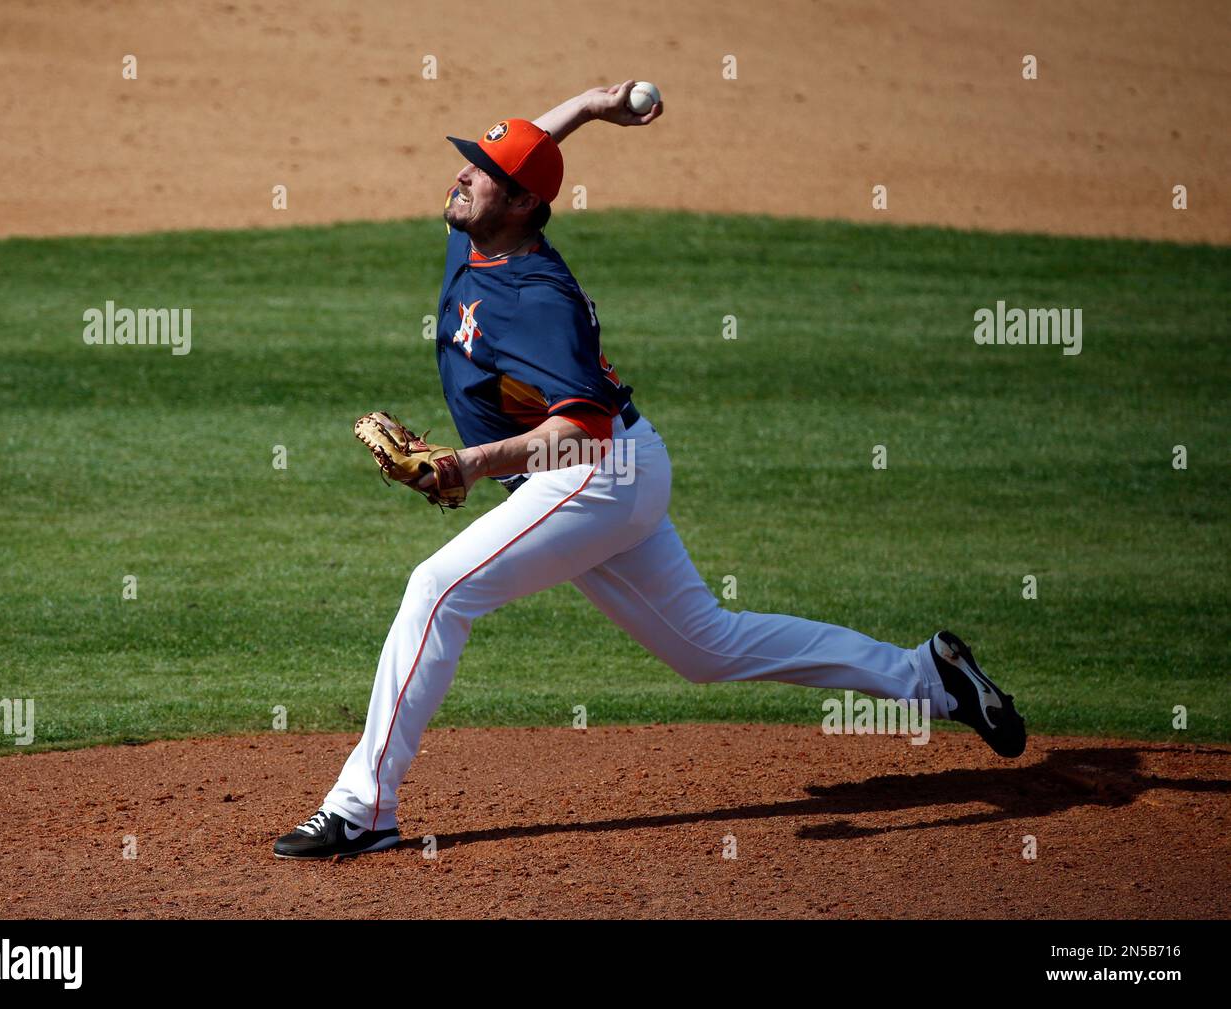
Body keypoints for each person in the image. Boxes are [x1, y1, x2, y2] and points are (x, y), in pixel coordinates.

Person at [273, 81, 1026, 860]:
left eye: (481, 170)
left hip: (594, 471)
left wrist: (469, 462)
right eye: (470, 161)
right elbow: (530, 155)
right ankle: (932, 678)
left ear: (524, 203)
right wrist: (588, 109)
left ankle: (362, 806)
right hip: (615, 471)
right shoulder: (480, 234)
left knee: (436, 591)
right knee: (709, 647)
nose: (462, 176)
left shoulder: (536, 295)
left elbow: (584, 427)